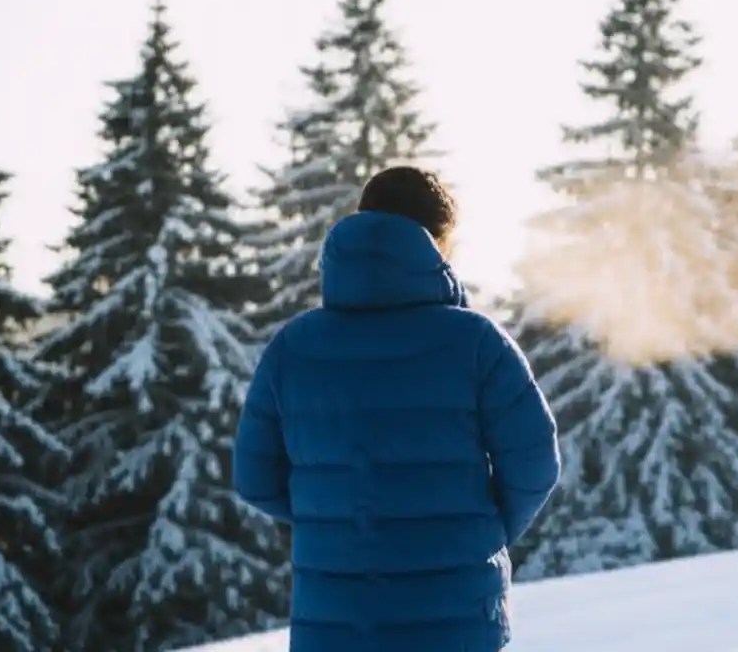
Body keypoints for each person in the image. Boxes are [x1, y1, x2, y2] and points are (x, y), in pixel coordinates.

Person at [233, 166, 561, 652]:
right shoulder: (477, 343)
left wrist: (336, 520)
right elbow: (535, 464)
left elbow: (255, 479)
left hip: (335, 629)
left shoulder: (292, 348)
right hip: (455, 626)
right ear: (437, 245)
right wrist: (478, 533)